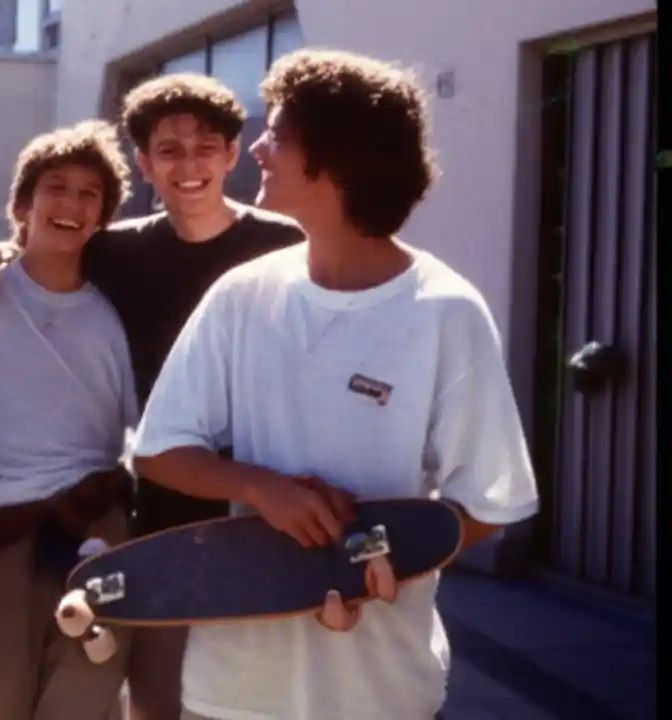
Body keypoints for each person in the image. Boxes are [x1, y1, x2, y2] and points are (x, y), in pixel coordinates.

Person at [131, 49, 540, 720]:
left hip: (382, 691)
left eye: (279, 134)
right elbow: (159, 449)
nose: (257, 148)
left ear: (339, 156)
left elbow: (490, 501)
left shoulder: (443, 309)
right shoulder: (241, 295)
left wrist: (376, 565)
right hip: (233, 689)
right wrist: (260, 488)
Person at [0, 73, 306, 720]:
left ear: (232, 154)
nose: (189, 165)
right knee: (141, 699)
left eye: (206, 148)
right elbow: (36, 254)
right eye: (169, 149)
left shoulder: (285, 248)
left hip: (267, 515)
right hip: (146, 520)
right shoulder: (118, 255)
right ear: (146, 164)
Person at [0, 121, 138, 719]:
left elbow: (134, 427)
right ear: (22, 204)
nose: (71, 204)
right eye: (56, 187)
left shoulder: (112, 316)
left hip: (95, 532)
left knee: (84, 700)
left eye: (89, 194)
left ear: (102, 217)